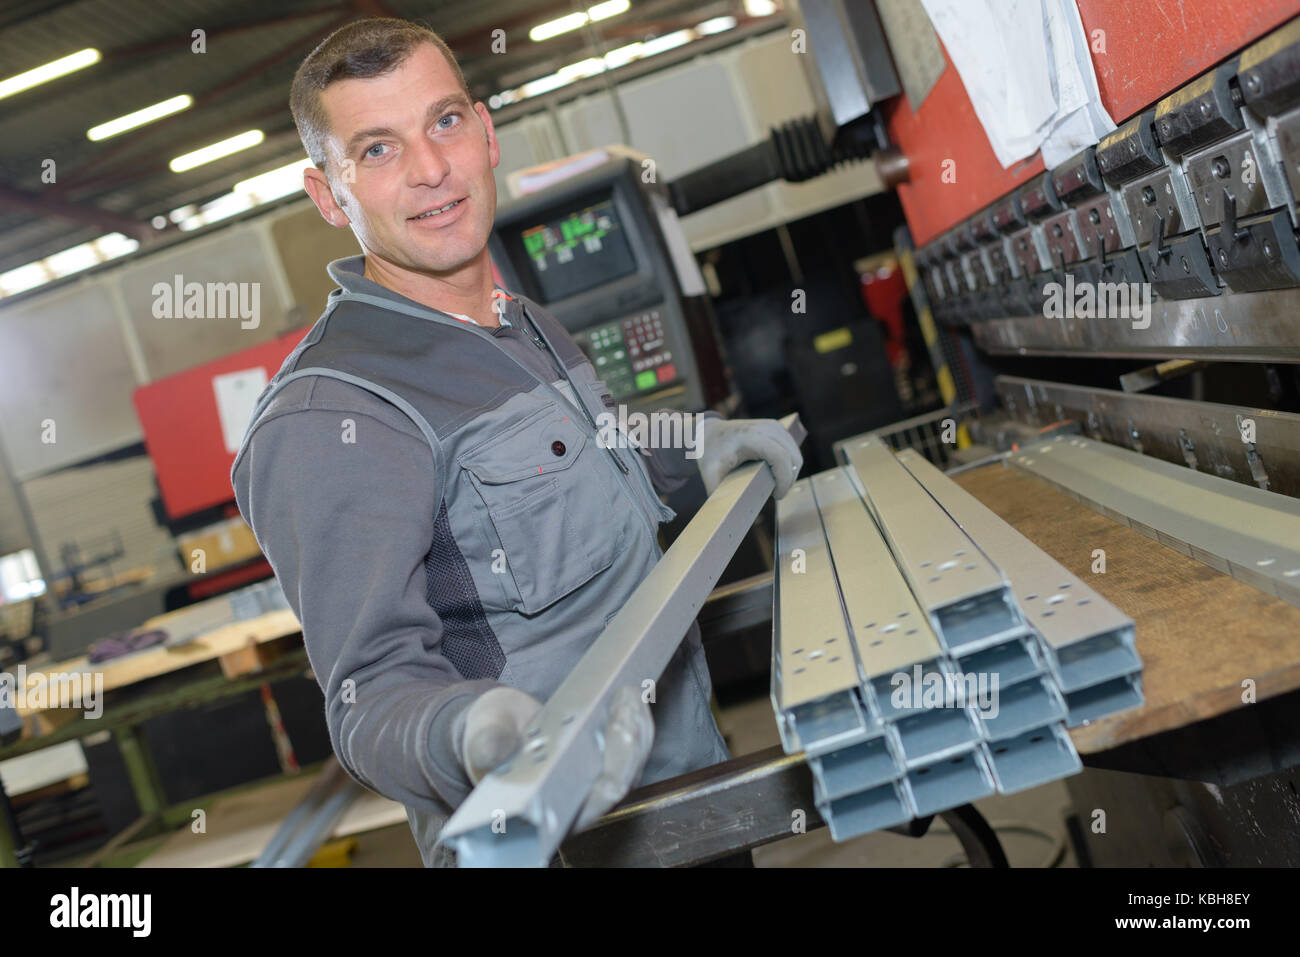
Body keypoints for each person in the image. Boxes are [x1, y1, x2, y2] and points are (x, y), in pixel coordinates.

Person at [231, 17, 802, 867]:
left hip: (686, 792)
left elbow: (594, 447)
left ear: (486, 131)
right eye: (379, 150)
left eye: (445, 122)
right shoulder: (332, 415)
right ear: (329, 194)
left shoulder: (516, 316)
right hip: (564, 843)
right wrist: (467, 731)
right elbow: (366, 696)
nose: (432, 170)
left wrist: (696, 444)